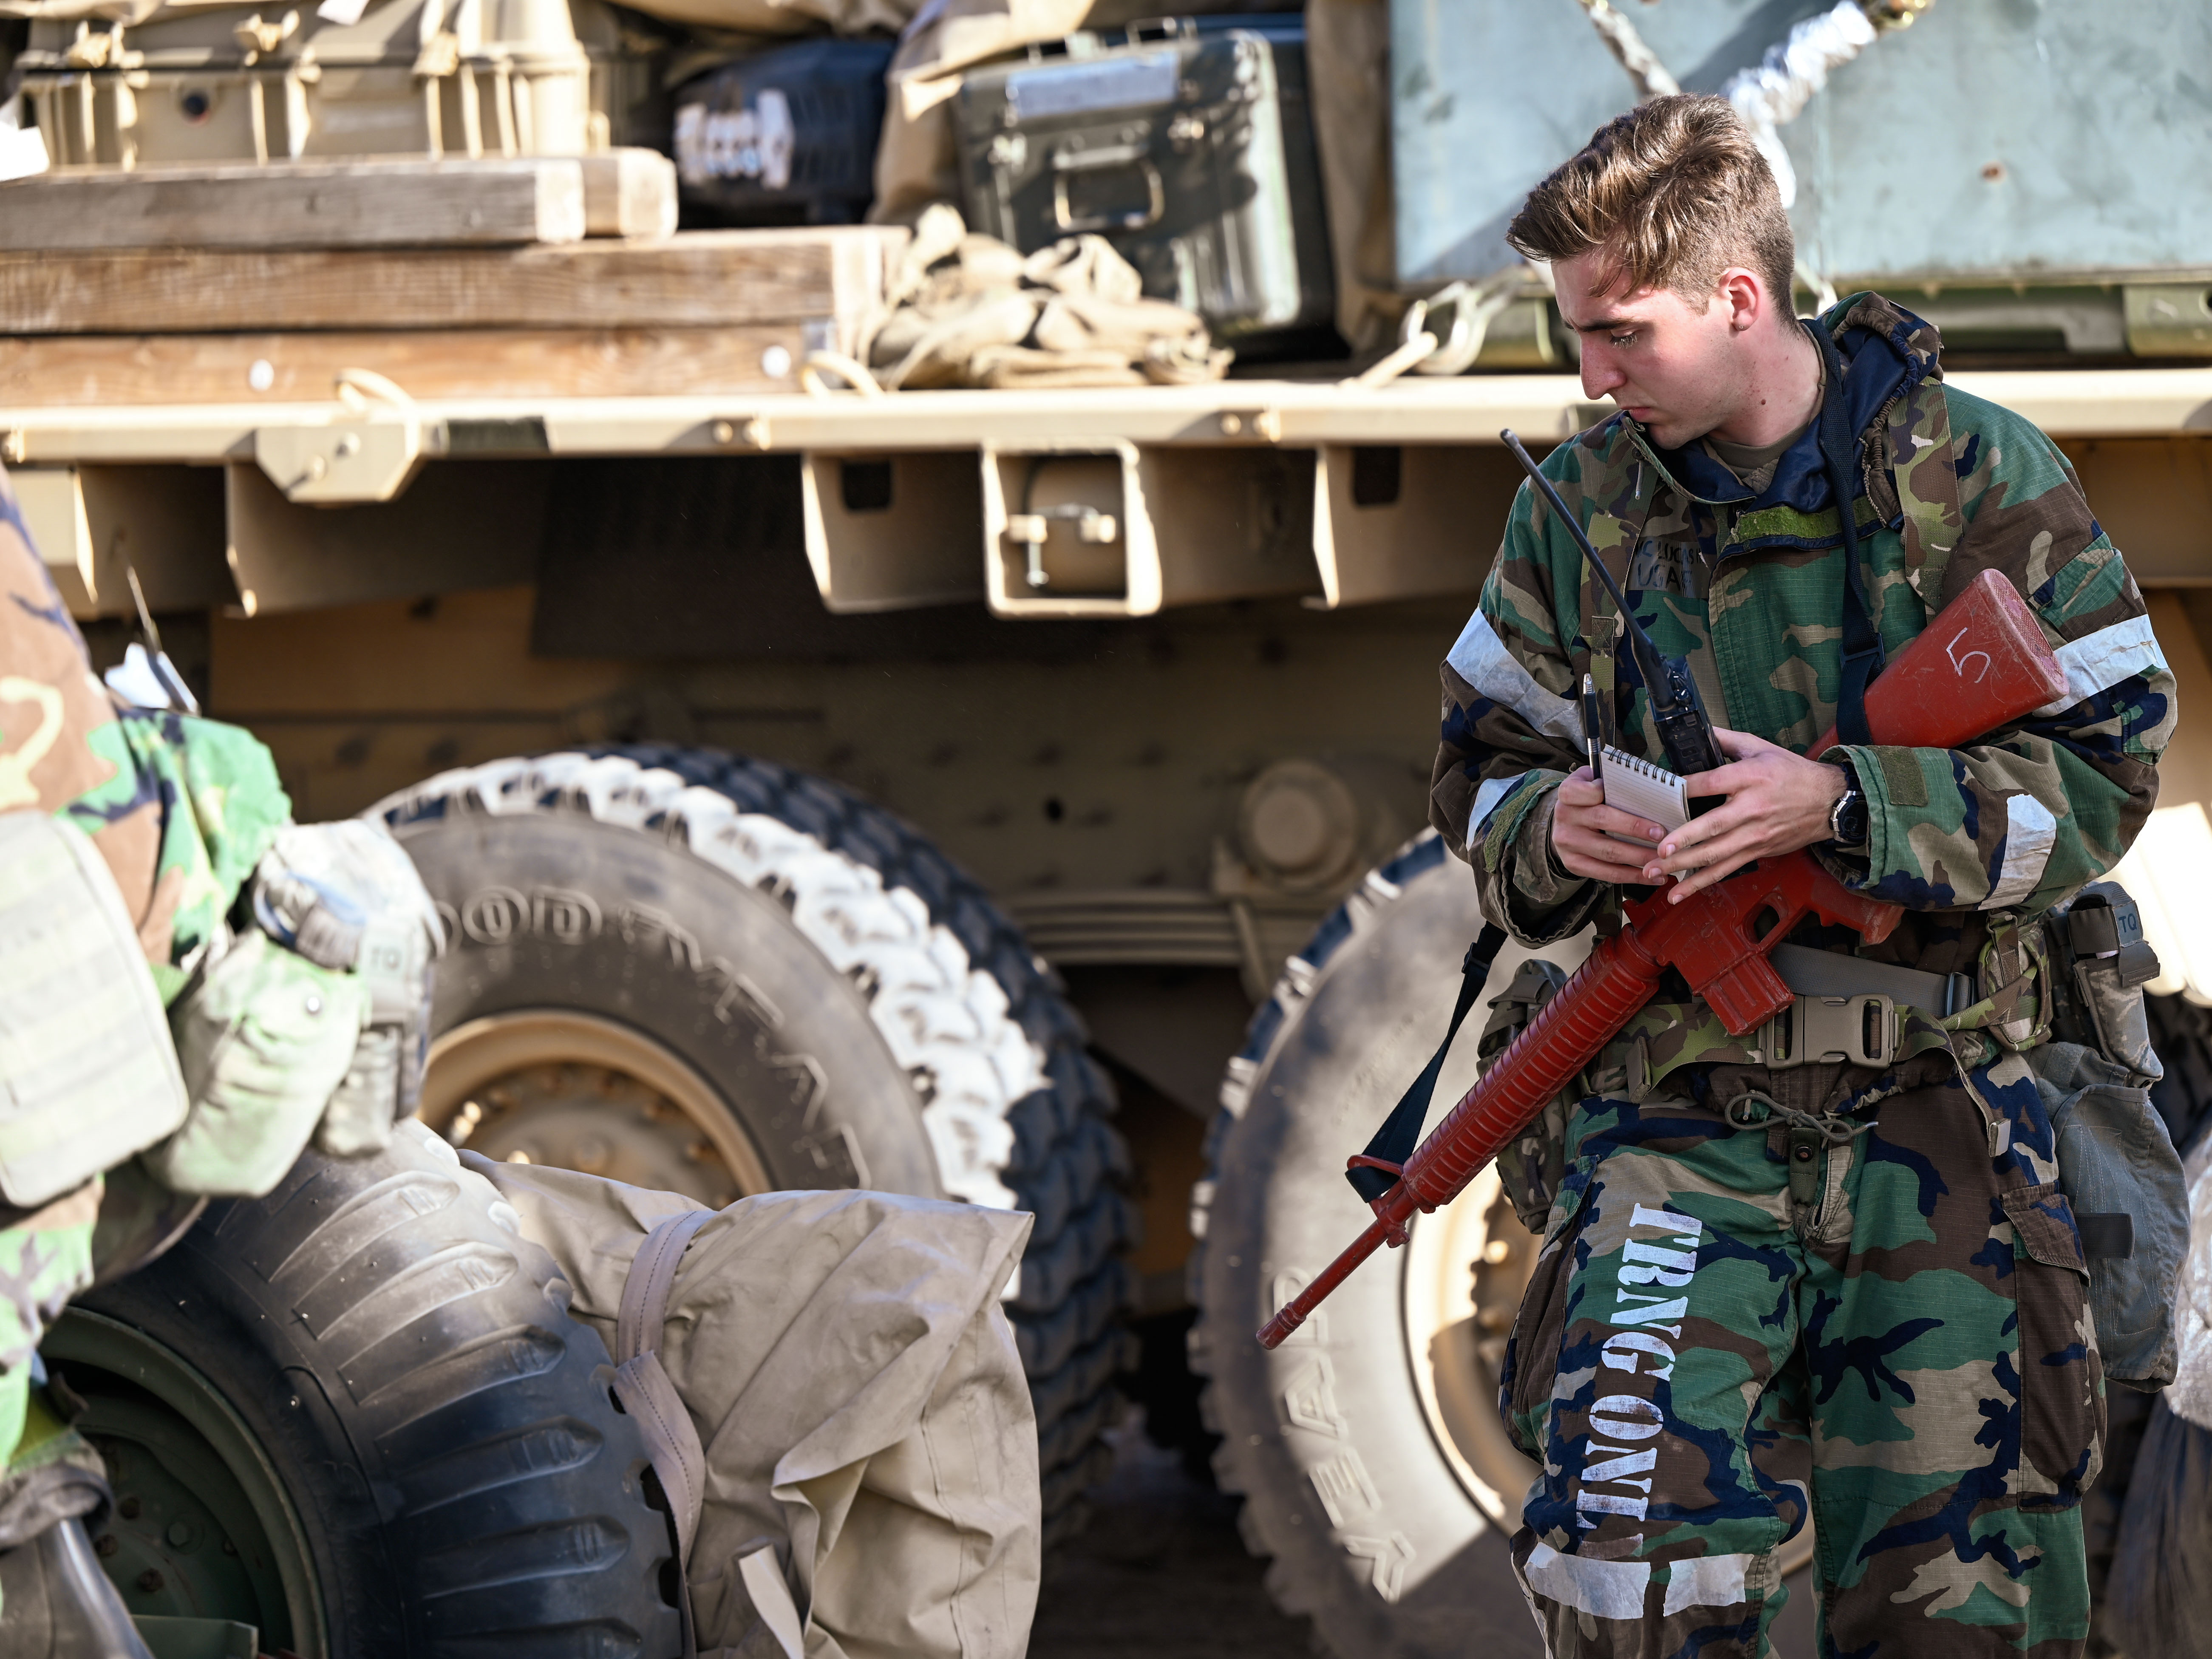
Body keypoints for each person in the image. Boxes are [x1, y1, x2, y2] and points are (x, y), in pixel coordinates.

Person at [1430, 96, 2173, 1656]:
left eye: (1622, 331)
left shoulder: (1974, 476)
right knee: (1634, 1582)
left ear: (1738, 300)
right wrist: (1548, 830)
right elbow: (1474, 767)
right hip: (1677, 1125)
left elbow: (2111, 770)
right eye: (1578, 336)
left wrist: (1844, 805)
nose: (1592, 374)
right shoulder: (1580, 514)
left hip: (1947, 1125)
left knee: (1960, 1601)